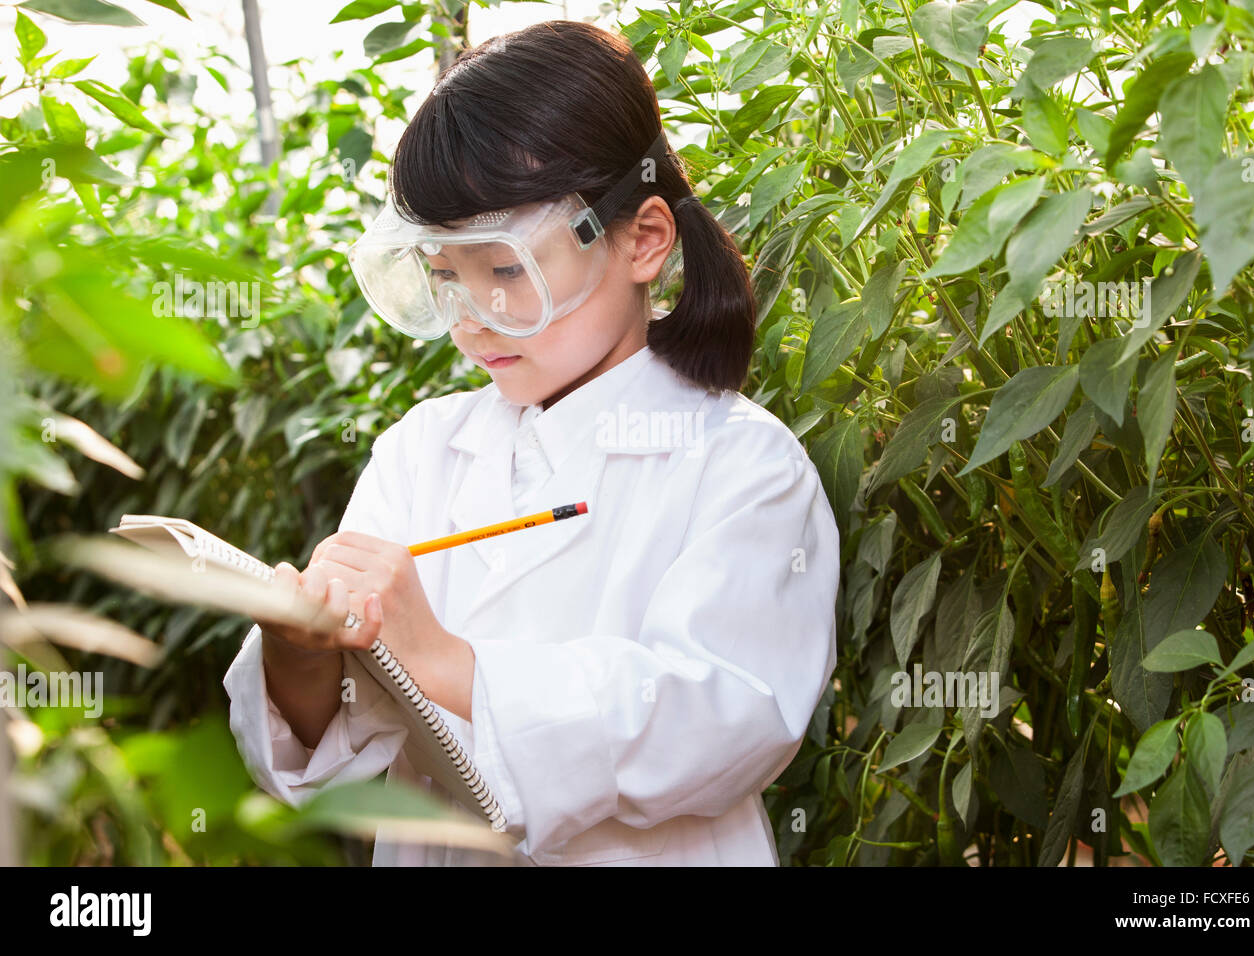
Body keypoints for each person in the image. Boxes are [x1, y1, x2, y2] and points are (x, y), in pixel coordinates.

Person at [222, 19, 839, 866]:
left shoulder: (744, 466)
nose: (474, 318)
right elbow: (332, 754)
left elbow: (724, 720)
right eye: (446, 275)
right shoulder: (421, 452)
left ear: (643, 240)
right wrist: (300, 655)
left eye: (506, 270)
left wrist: (445, 660)